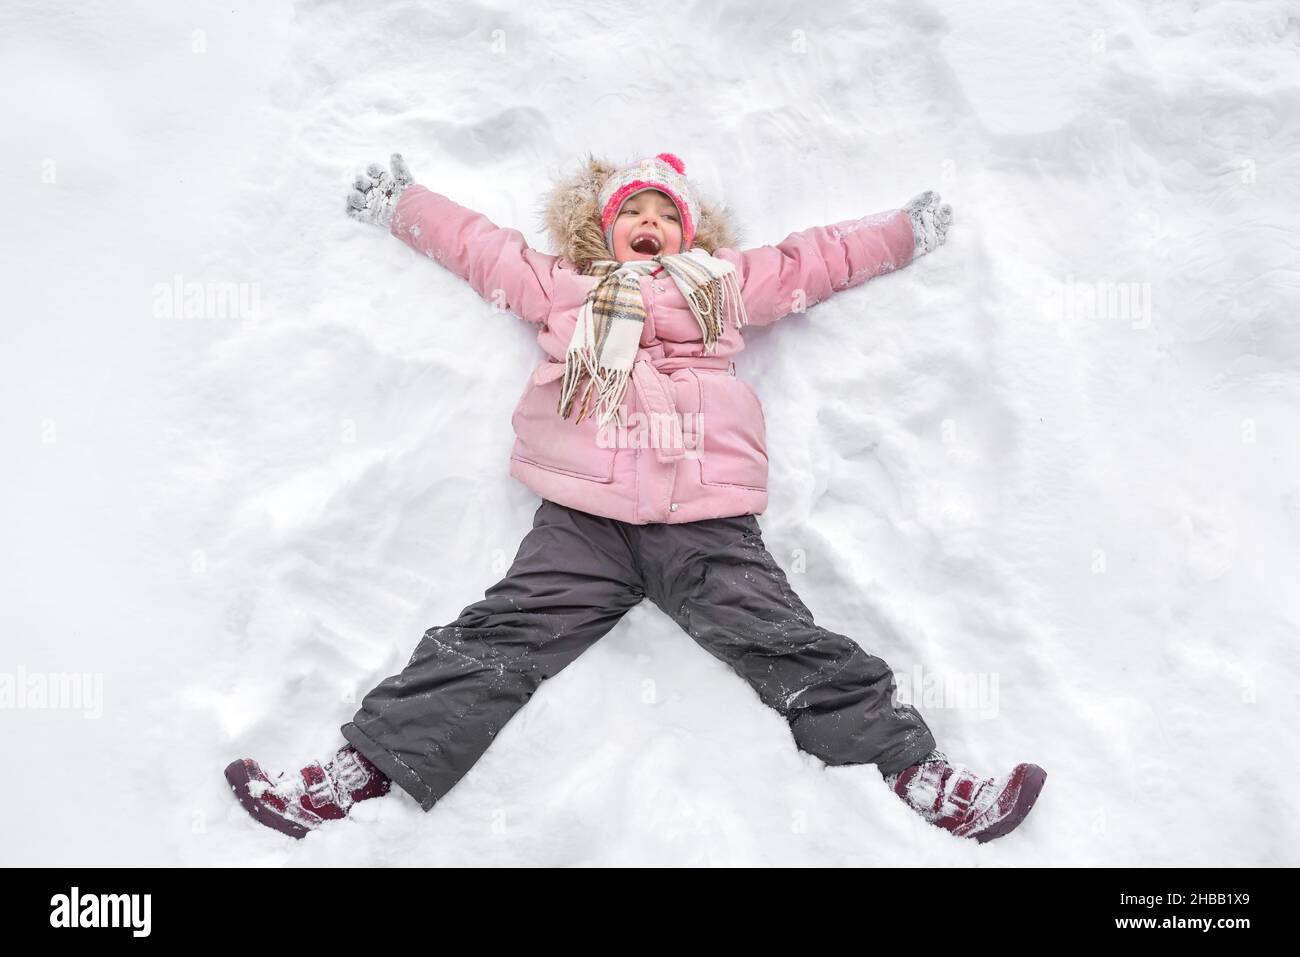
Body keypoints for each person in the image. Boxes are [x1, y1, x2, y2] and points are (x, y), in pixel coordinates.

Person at [224, 151, 1045, 845]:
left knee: (784, 639)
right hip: (583, 522)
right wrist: (405, 203)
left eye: (665, 212)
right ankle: (355, 769)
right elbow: (483, 251)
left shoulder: (721, 289)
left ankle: (915, 772)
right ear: (604, 231)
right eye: (633, 212)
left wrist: (903, 230)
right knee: (496, 637)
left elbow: (814, 261)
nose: (649, 223)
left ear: (691, 232)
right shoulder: (568, 291)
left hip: (705, 523)